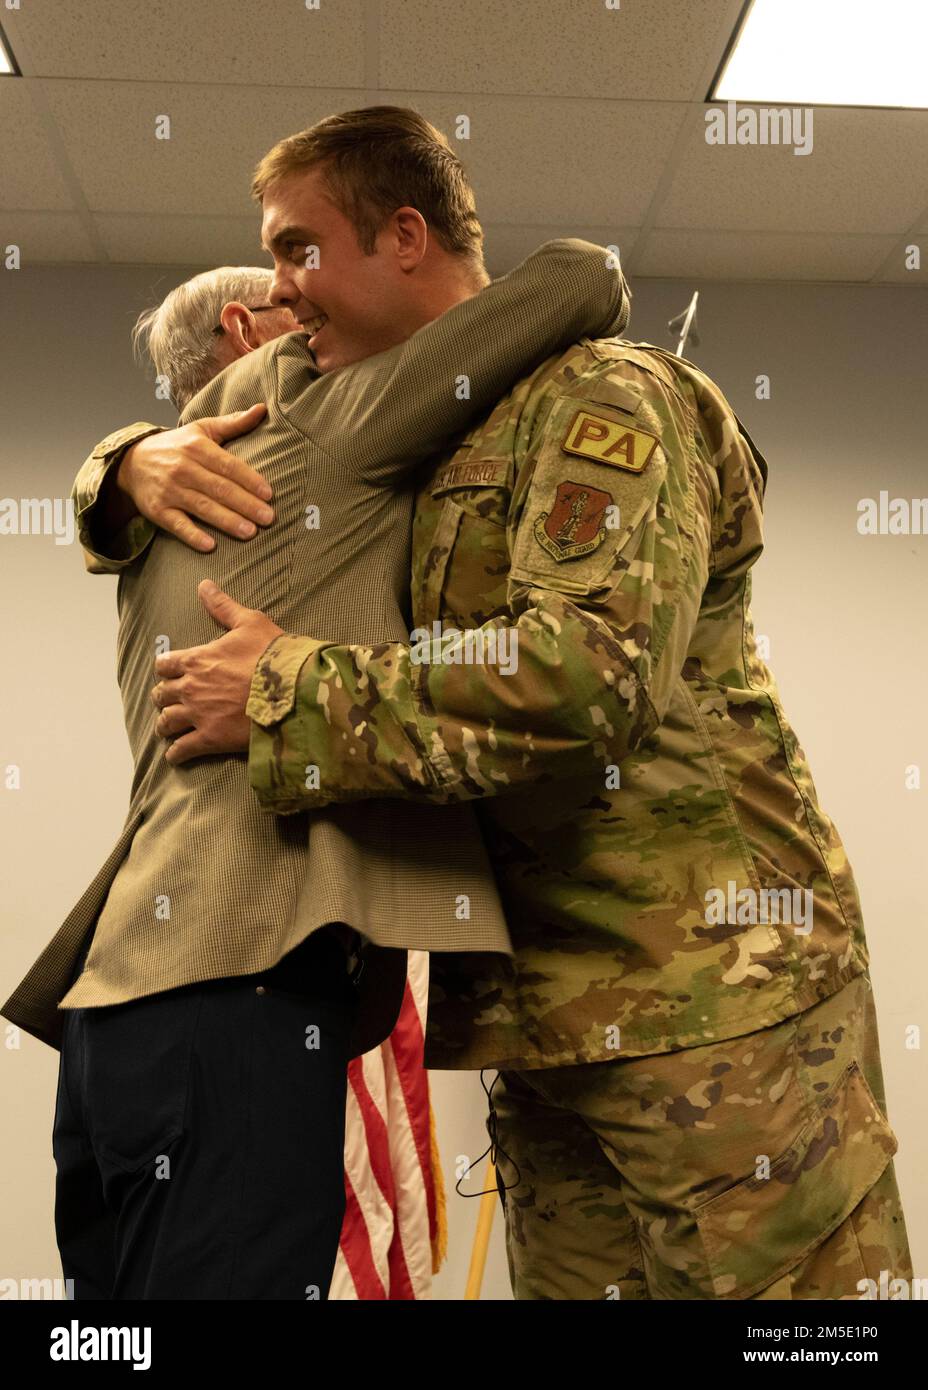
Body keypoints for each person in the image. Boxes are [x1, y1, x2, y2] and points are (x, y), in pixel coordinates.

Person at [29, 104, 912, 1301]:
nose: (284, 293)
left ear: (405, 236)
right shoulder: (415, 439)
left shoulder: (601, 393)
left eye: (302, 250)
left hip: (714, 1003)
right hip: (543, 1017)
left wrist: (288, 691)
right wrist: (120, 460)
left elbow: (590, 673)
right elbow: (220, 433)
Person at [1, 127, 630, 1293]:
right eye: (285, 279)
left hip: (127, 1011)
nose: (307, 306)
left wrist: (117, 456)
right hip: (231, 994)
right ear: (256, 348)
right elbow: (583, 276)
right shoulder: (311, 422)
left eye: (305, 256)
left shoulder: (152, 503)